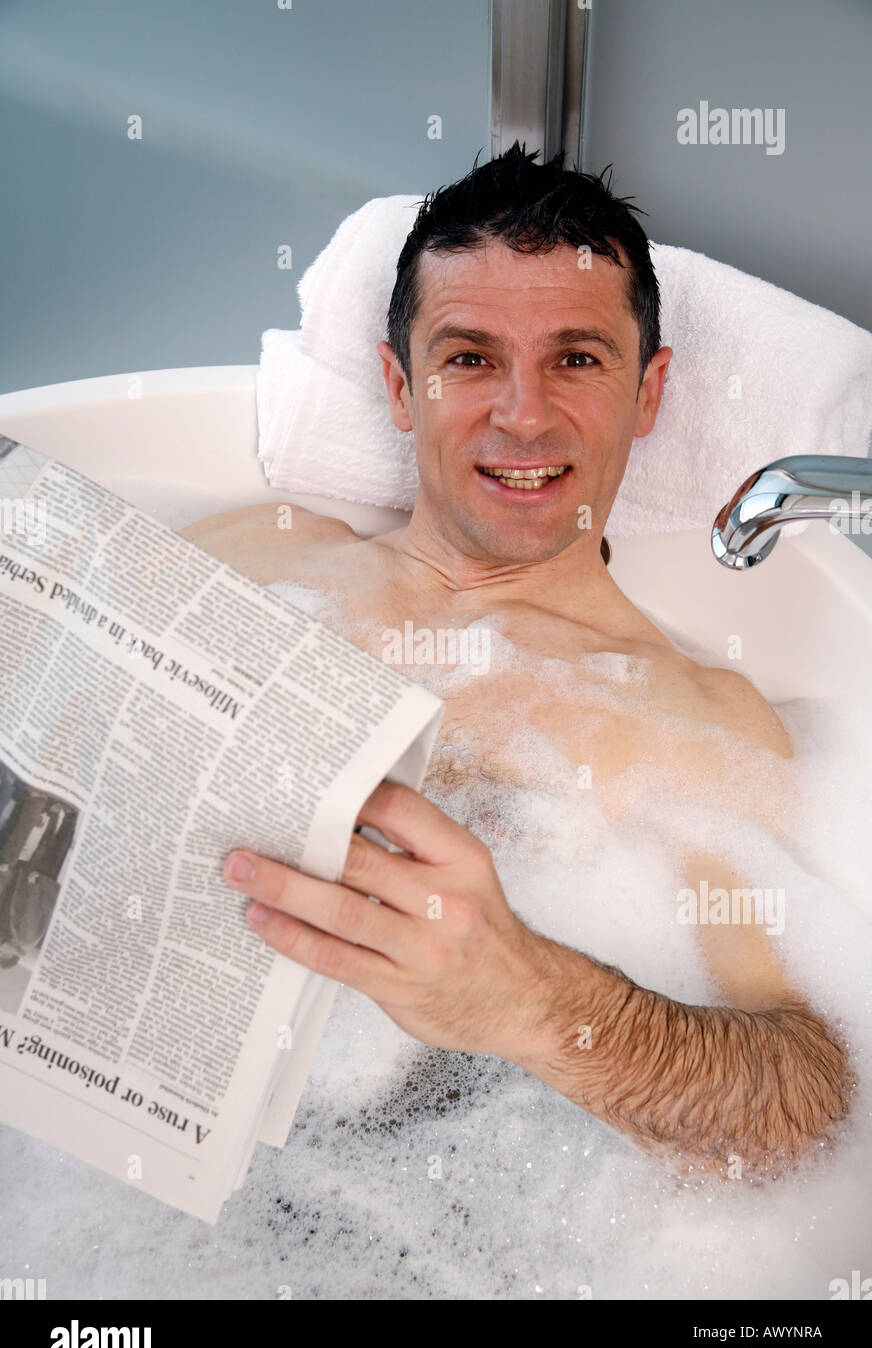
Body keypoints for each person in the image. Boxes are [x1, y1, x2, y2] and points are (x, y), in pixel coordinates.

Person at [181, 143, 851, 1176]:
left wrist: (528, 997)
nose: (522, 414)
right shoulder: (248, 552)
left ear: (647, 391)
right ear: (400, 384)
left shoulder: (692, 727)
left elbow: (803, 1110)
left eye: (576, 358)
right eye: (470, 358)